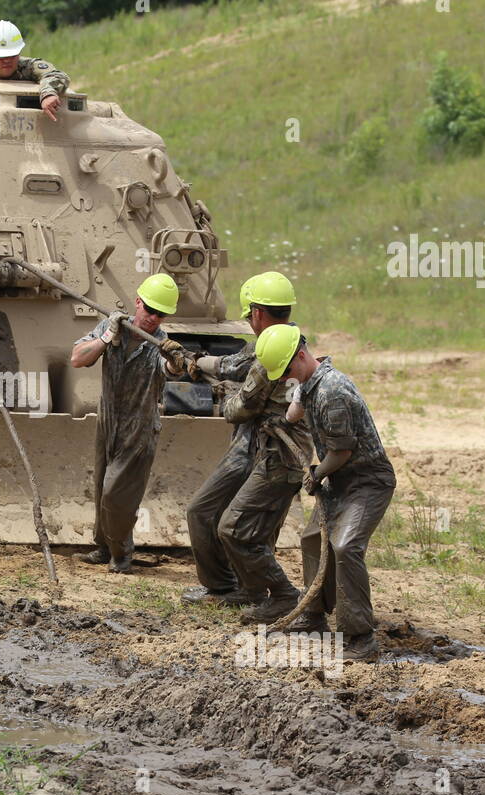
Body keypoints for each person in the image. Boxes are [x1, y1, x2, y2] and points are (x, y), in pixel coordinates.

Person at [255, 325, 397, 661]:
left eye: (287, 370)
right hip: (341, 479)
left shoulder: (332, 391)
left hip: (366, 481)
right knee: (311, 539)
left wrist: (317, 475)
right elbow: (295, 412)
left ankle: (360, 638)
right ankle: (314, 614)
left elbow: (342, 452)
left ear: (301, 356)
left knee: (345, 546)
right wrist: (281, 420)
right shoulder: (309, 383)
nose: (286, 377)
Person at [182, 272, 308, 610]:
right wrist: (195, 362)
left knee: (241, 527)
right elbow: (234, 363)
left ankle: (260, 593)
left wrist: (226, 396)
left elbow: (239, 409)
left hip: (273, 452)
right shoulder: (280, 341)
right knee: (202, 511)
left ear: (256, 312)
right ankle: (223, 586)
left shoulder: (276, 352)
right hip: (248, 446)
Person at [71, 274, 186, 573]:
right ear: (137, 302)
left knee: (116, 495)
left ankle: (122, 555)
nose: (153, 318)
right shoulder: (112, 329)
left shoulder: (160, 343)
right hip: (108, 422)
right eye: (149, 310)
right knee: (100, 490)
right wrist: (107, 337)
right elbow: (77, 358)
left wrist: (175, 358)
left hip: (139, 429)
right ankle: (102, 547)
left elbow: (172, 370)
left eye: (161, 314)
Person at [0, 20, 70, 121]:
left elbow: (57, 75)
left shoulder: (29, 67)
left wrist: (48, 93)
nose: (7, 60)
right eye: (1, 56)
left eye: (12, 55)